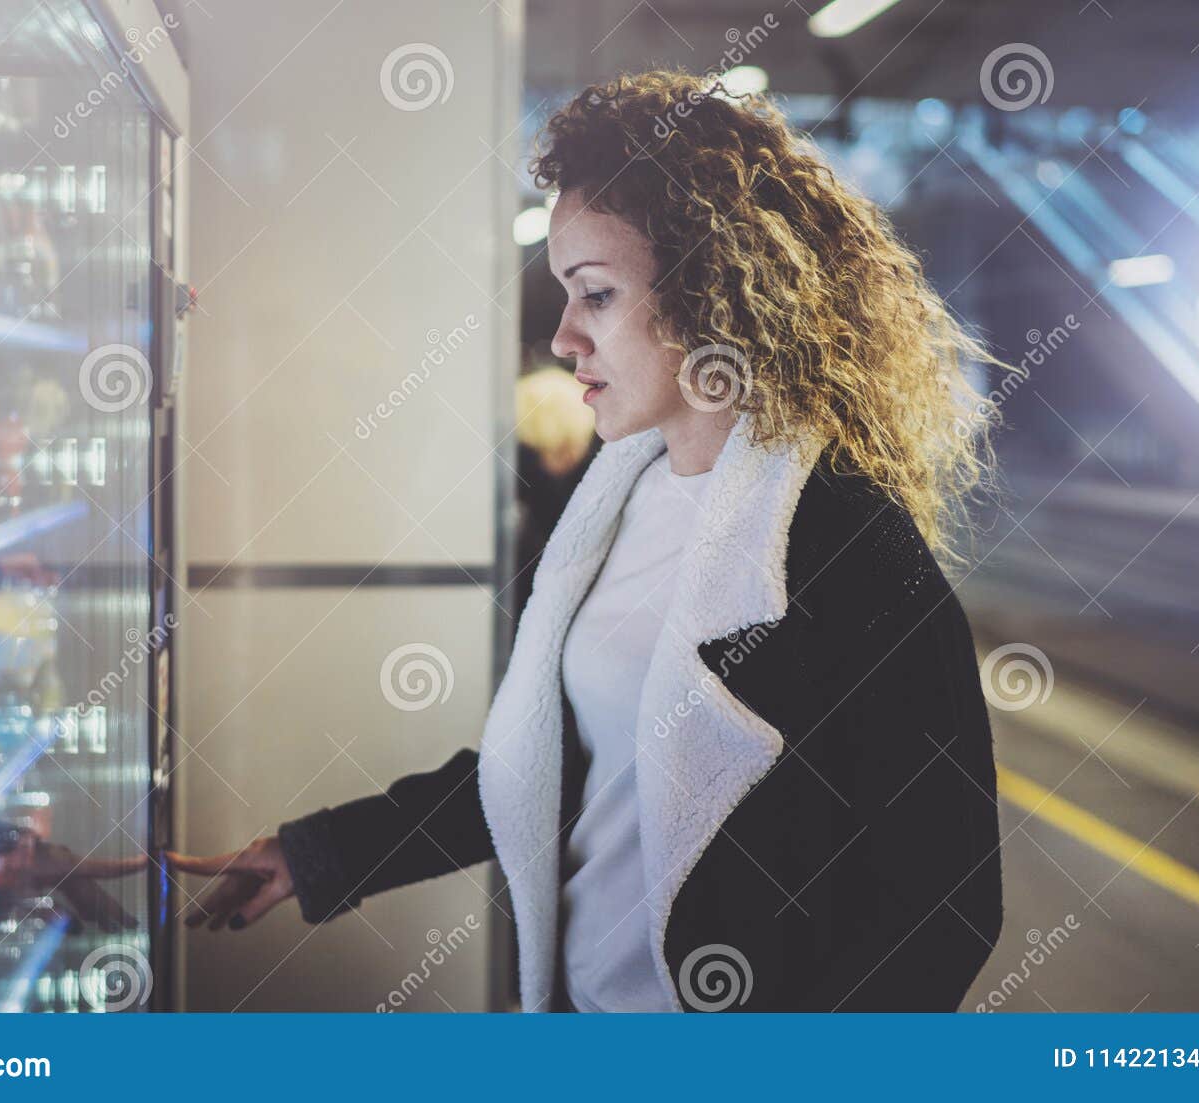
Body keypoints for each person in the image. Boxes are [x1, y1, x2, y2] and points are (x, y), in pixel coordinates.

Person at [170, 70, 1005, 1013]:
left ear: (713, 296)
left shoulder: (846, 539)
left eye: (596, 295)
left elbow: (947, 902)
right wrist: (319, 853)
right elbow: (552, 762)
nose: (565, 335)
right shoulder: (613, 503)